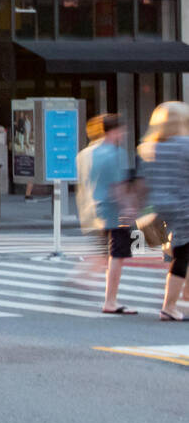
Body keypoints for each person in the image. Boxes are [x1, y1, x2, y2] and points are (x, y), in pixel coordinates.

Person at [75, 113, 136, 315]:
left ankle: (81, 278)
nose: (123, 133)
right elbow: (118, 186)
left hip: (93, 209)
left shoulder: (85, 154)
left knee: (105, 253)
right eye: (121, 129)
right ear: (114, 130)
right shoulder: (115, 153)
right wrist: (127, 208)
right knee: (117, 255)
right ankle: (110, 300)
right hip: (114, 211)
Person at [136, 101, 189, 322]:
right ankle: (169, 306)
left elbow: (143, 183)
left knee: (180, 254)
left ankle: (181, 296)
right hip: (184, 206)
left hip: (157, 209)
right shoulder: (185, 145)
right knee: (182, 256)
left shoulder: (148, 148)